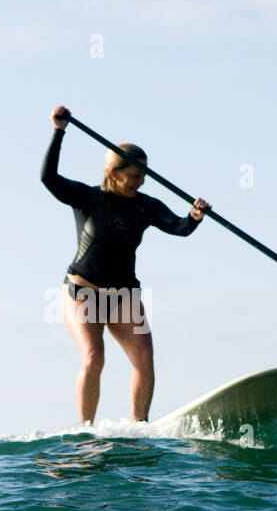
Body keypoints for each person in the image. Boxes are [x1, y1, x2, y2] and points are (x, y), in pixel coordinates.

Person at [41, 104, 210, 424]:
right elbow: (48, 178)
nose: (141, 182)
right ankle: (86, 432)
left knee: (144, 359)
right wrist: (59, 132)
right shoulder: (88, 198)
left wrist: (195, 216)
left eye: (144, 175)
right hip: (83, 292)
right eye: (135, 176)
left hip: (123, 296)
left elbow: (179, 227)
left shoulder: (146, 207)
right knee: (94, 357)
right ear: (115, 173)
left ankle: (139, 427)